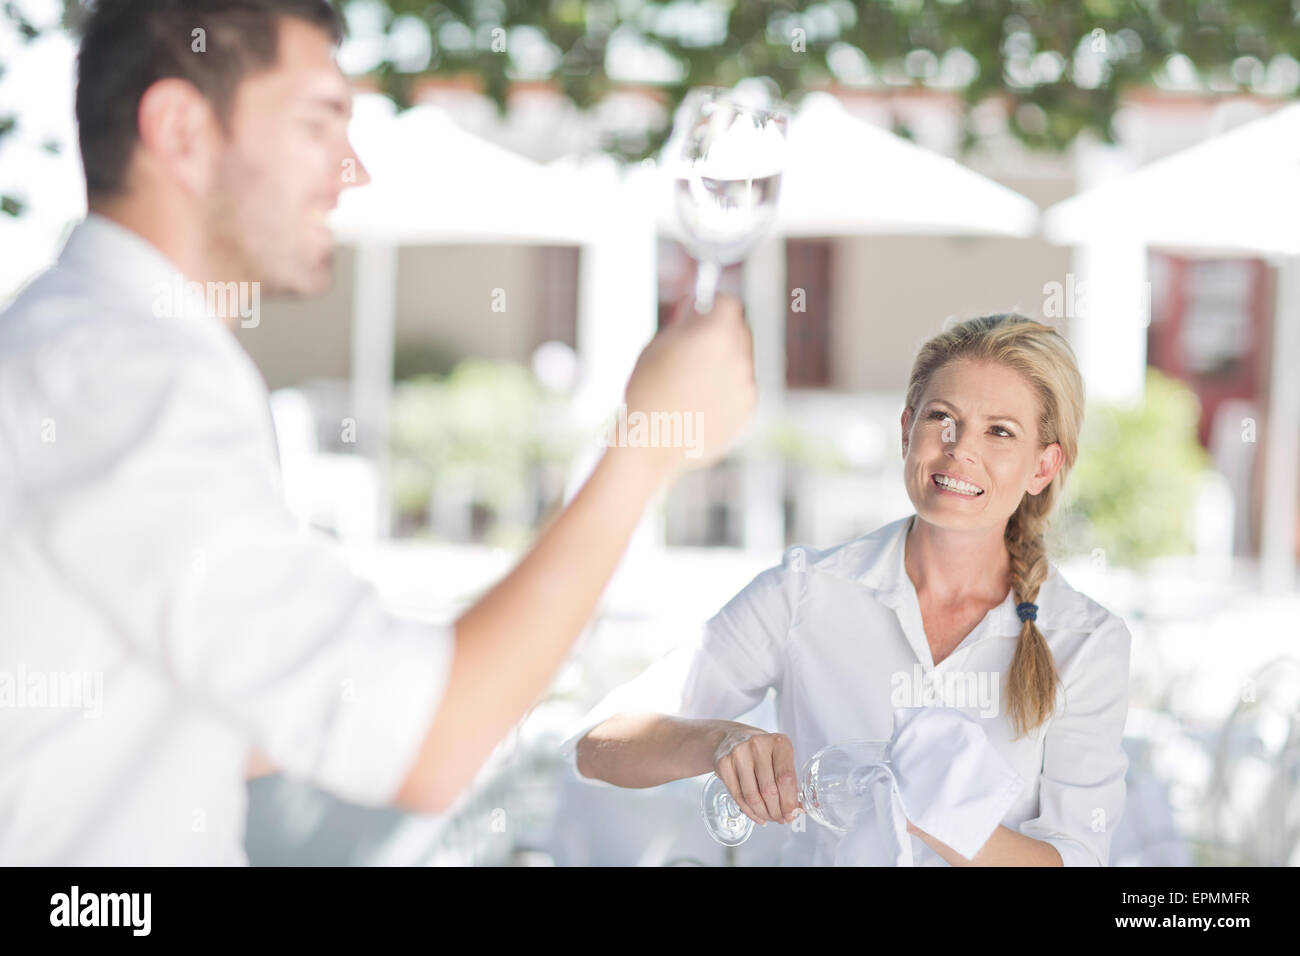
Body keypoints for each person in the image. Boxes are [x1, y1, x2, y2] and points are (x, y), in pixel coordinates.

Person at [0, 0, 756, 864]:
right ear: (179, 129)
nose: (350, 171)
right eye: (319, 122)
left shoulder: (91, 351)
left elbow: (255, 714)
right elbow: (422, 745)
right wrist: (648, 448)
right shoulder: (128, 376)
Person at [568, 314, 1133, 866]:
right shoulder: (803, 594)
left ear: (1043, 466)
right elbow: (598, 744)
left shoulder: (1086, 641)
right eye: (942, 417)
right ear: (907, 429)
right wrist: (717, 741)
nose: (960, 447)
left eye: (1000, 431)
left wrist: (948, 814)